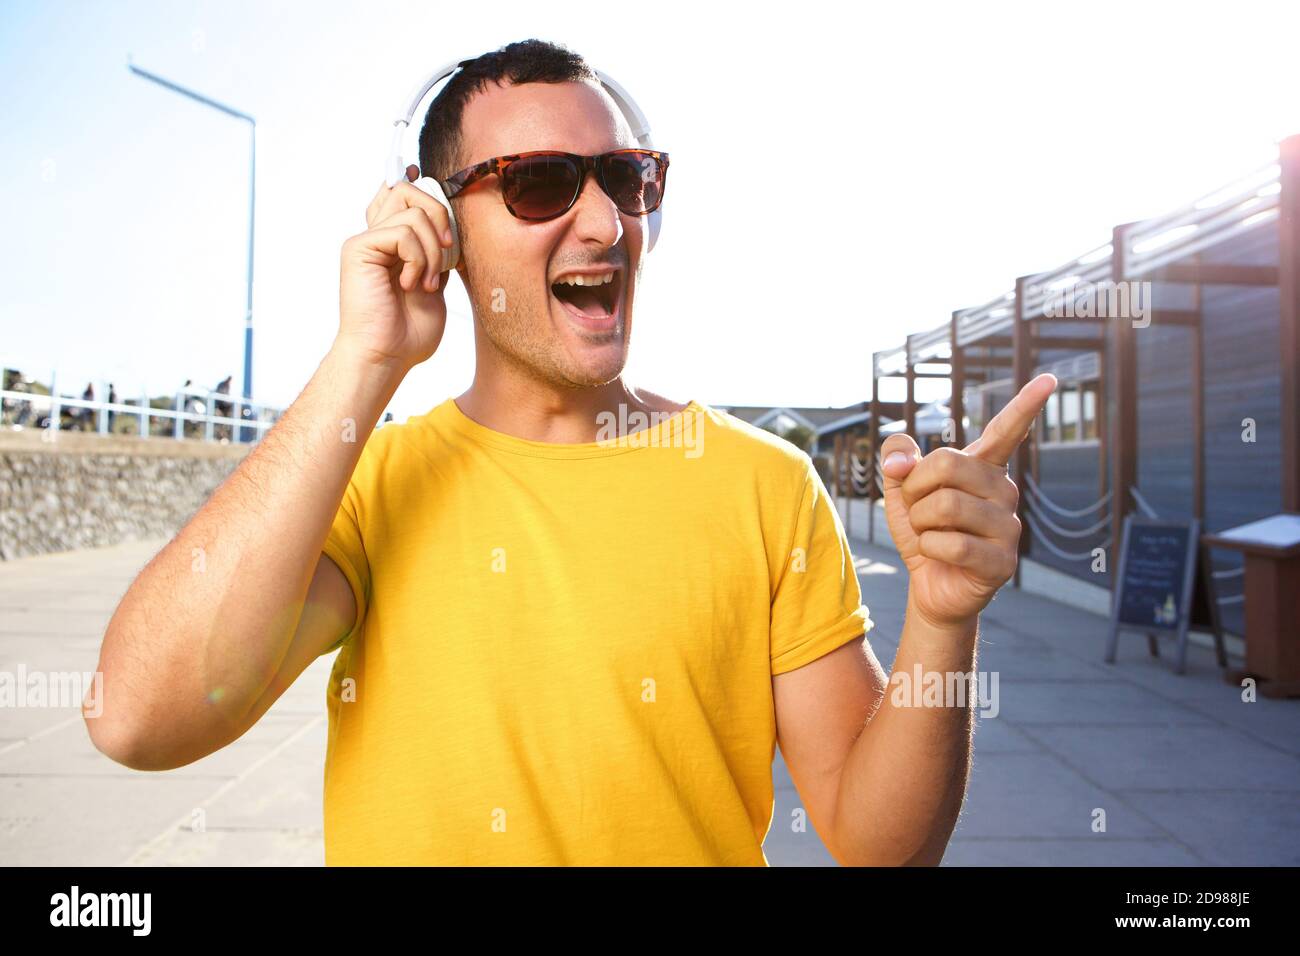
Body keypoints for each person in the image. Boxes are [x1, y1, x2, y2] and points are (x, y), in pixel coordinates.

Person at [87, 40, 1054, 866]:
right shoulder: (369, 485)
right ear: (439, 227)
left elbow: (875, 842)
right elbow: (138, 717)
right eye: (541, 183)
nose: (604, 223)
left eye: (626, 179)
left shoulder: (763, 486)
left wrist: (940, 619)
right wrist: (364, 357)